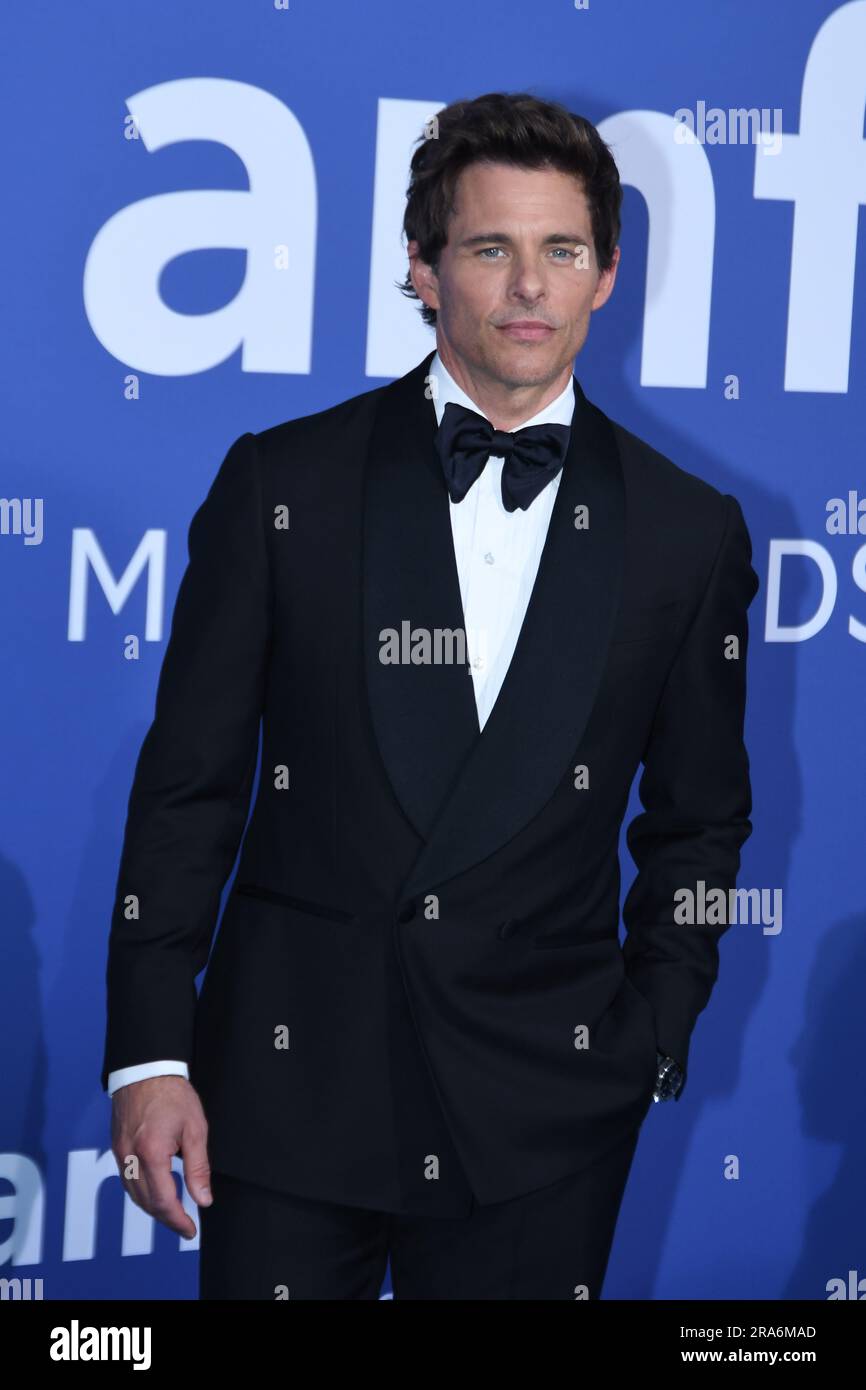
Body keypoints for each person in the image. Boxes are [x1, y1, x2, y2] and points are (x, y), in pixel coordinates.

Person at [103, 90, 760, 1299]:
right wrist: (149, 1052)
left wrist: (650, 1032)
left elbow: (700, 819)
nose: (529, 286)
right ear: (421, 266)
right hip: (293, 1083)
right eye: (489, 248)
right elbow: (188, 790)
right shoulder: (284, 485)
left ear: (607, 275)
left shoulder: (686, 531)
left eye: (563, 250)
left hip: (543, 1103)